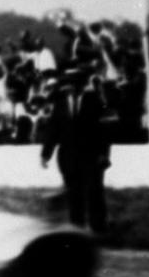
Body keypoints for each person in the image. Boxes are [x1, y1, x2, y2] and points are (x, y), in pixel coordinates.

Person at [39, 68, 112, 234]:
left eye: (75, 82)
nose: (71, 86)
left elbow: (103, 131)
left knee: (94, 192)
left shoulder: (94, 100)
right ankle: (77, 229)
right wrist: (45, 154)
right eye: (68, 83)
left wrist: (103, 154)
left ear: (81, 83)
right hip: (68, 156)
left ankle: (98, 229)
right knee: (74, 194)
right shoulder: (60, 103)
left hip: (91, 155)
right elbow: (53, 130)